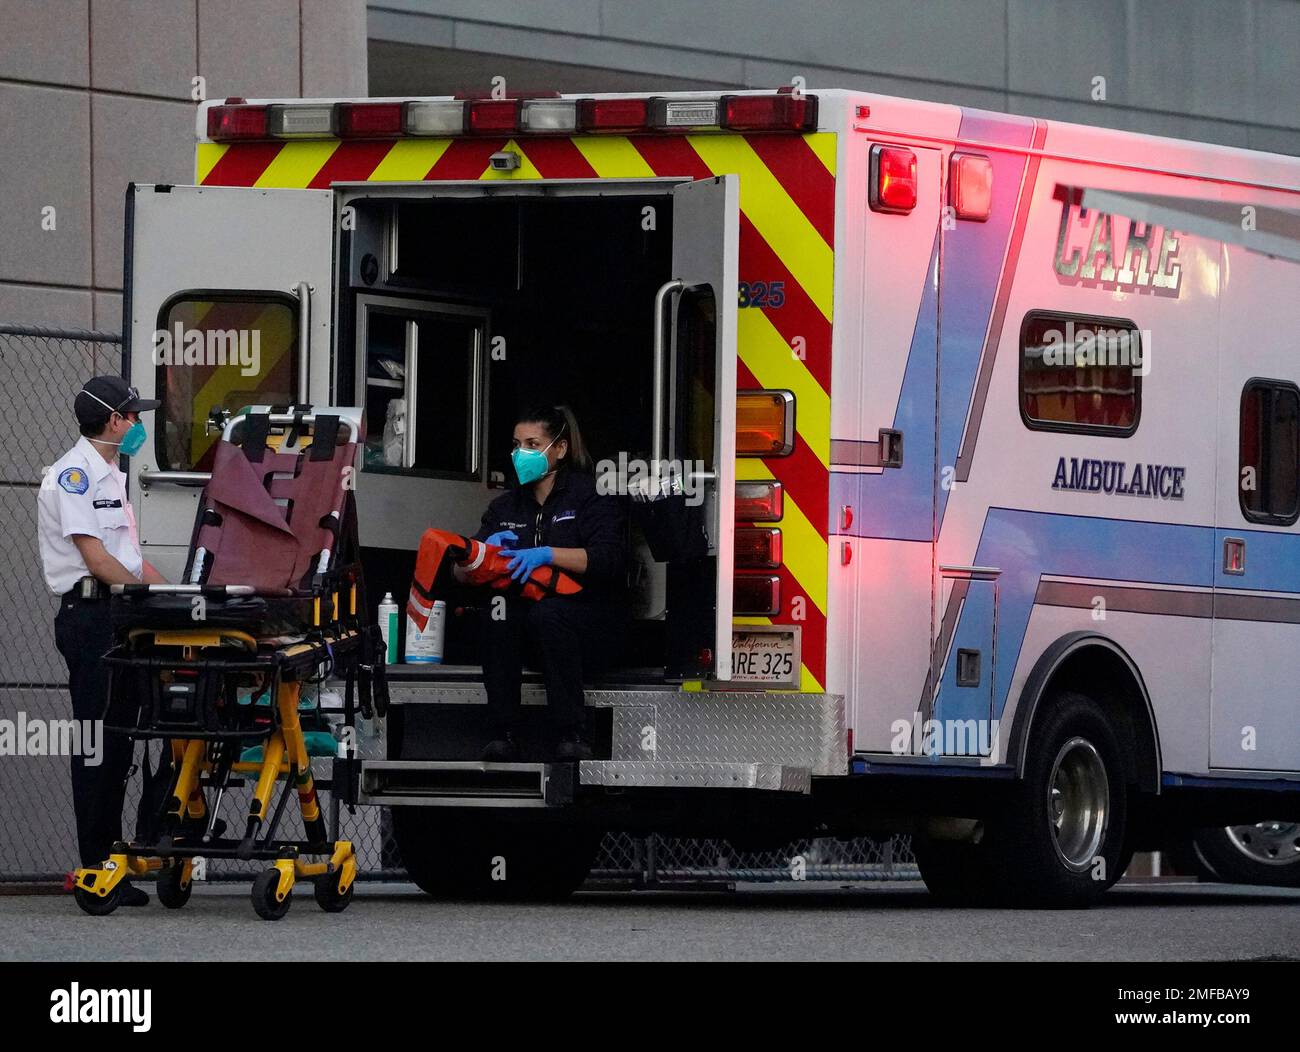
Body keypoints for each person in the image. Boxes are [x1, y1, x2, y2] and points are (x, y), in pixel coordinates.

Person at [37, 375, 167, 904]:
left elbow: (131, 560)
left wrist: (184, 595)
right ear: (114, 420)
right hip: (92, 616)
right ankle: (96, 865)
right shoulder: (73, 476)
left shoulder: (110, 474)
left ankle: (118, 862)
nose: (138, 425)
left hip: (119, 612)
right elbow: (97, 560)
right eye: (133, 416)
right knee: (98, 742)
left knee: (122, 742)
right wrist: (146, 594)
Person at [473, 405, 627, 761]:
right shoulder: (504, 508)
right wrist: (480, 554)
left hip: (591, 625)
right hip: (528, 628)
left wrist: (547, 554)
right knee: (498, 612)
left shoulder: (591, 497)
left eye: (532, 443)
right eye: (516, 444)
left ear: (560, 448)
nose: (520, 454)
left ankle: (572, 733)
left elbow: (609, 559)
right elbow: (464, 573)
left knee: (550, 613)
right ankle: (503, 732)